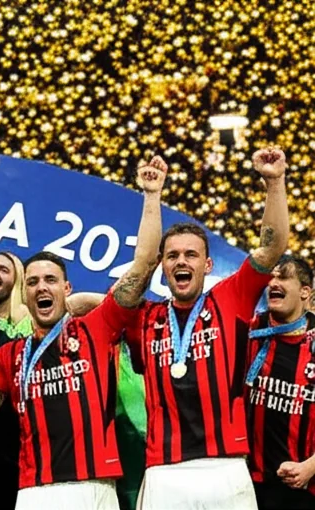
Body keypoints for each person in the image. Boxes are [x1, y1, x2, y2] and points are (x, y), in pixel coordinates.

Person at [0, 157, 166, 509]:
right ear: (25, 293)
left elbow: (145, 264)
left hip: (95, 487)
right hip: (34, 492)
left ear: (66, 288)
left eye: (50, 280)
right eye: (33, 282)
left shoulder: (97, 327)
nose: (42, 287)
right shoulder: (7, 357)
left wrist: (151, 195)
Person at [127, 148, 289, 510]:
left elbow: (272, 247)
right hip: (164, 471)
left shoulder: (231, 299)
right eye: (172, 256)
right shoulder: (144, 317)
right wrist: (152, 196)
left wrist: (274, 182)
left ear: (208, 265)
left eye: (191, 255)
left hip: (225, 467)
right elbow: (141, 263)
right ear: (163, 267)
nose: (181, 261)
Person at [244, 255, 315, 510]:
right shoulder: (251, 331)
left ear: (305, 291)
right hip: (249, 481)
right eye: (271, 277)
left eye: (283, 277)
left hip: (304, 486)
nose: (273, 282)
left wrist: (311, 466)